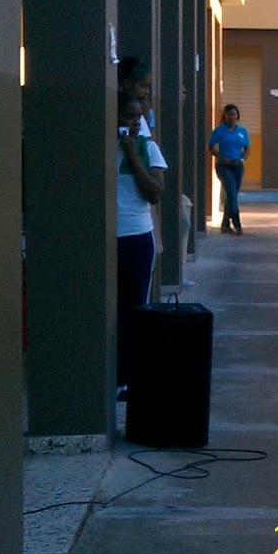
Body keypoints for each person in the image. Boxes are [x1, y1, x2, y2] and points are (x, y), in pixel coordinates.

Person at [117, 91, 166, 396]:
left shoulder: (149, 148)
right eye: (128, 117)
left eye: (138, 117)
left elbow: (155, 193)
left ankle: (130, 377)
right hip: (109, 238)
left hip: (136, 237)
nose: (135, 123)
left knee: (136, 307)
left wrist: (132, 155)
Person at [208, 103, 250, 234]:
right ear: (224, 116)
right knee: (231, 193)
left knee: (232, 196)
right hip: (224, 166)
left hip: (238, 166)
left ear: (237, 116)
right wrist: (220, 156)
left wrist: (242, 159)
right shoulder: (219, 130)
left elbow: (247, 148)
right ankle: (237, 224)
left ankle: (225, 225)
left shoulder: (242, 131)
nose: (231, 117)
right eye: (229, 114)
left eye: (234, 114)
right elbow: (210, 146)